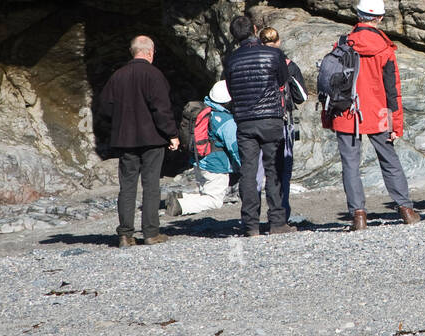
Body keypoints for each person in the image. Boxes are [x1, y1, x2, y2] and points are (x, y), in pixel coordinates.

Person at [324, 0, 419, 231]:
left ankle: (358, 215)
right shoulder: (385, 48)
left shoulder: (343, 43)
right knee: (389, 160)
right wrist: (396, 124)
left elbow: (329, 80)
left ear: (358, 15)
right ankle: (406, 210)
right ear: (380, 18)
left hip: (346, 112)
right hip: (378, 113)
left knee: (350, 165)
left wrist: (328, 117)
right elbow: (392, 90)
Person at [97, 35, 180, 246]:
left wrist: (119, 123)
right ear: (150, 52)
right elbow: (161, 109)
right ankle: (151, 233)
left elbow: (105, 108)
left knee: (127, 186)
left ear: (132, 51)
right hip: (152, 138)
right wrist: (172, 134)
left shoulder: (117, 76)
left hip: (125, 139)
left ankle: (125, 234)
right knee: (151, 184)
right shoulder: (154, 75)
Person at [223, 14, 292, 235]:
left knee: (248, 172)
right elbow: (282, 80)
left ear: (234, 36)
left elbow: (231, 89)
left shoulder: (231, 60)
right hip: (271, 117)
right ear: (254, 29)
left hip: (245, 121)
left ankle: (251, 225)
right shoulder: (274, 54)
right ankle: (277, 222)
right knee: (273, 170)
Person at [169, 80, 239, 216]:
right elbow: (234, 147)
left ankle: (180, 197)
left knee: (205, 193)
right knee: (215, 200)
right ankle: (180, 205)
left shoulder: (203, 111)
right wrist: (243, 165)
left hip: (198, 161)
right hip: (216, 165)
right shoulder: (226, 120)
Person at [260, 27, 307, 221]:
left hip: (256, 120)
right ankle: (281, 214)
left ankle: (251, 219)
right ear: (279, 42)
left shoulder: (255, 63)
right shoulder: (288, 64)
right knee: (282, 168)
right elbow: (301, 96)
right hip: (282, 120)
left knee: (257, 170)